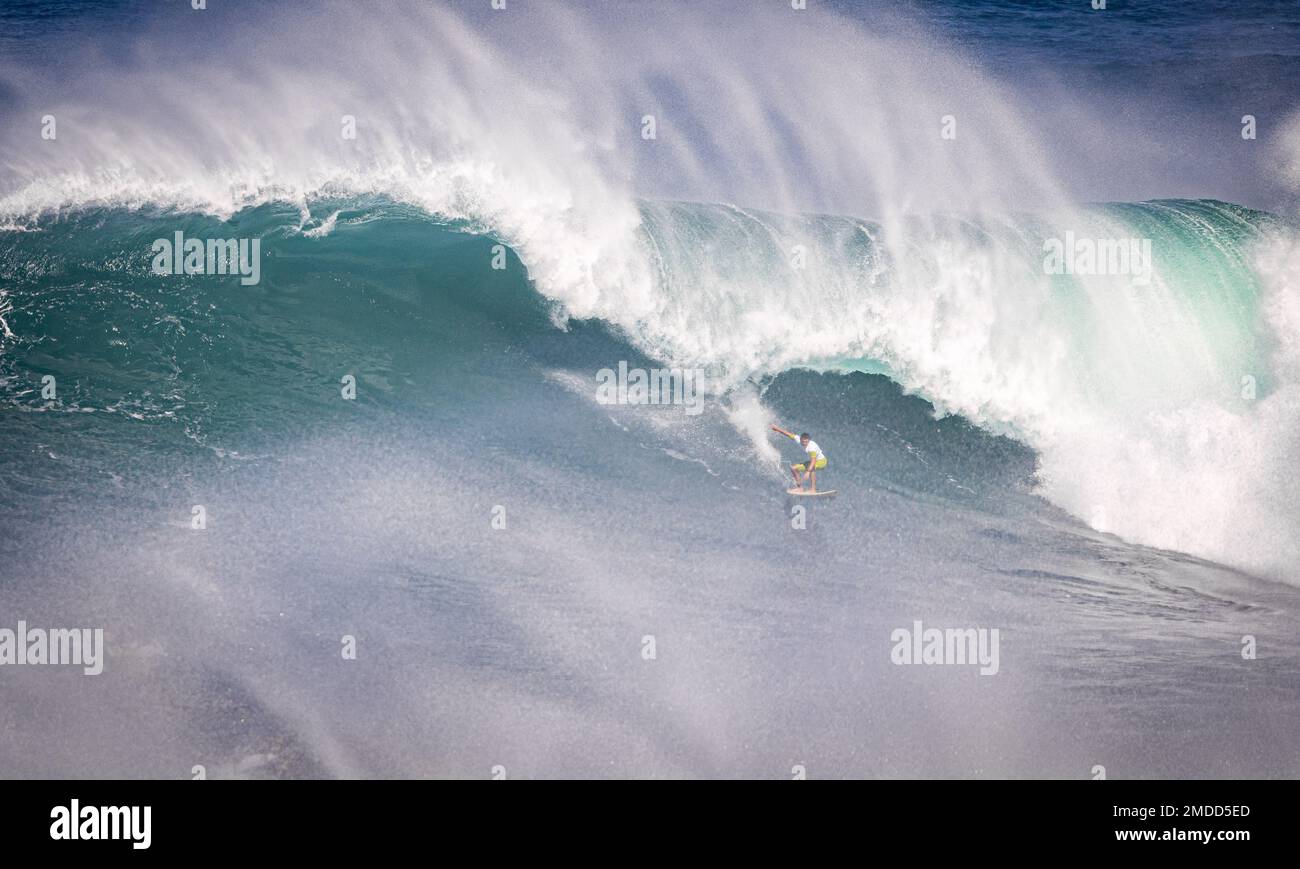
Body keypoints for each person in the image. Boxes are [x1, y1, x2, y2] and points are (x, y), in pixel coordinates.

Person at [770, 424, 827, 492]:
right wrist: (777, 429)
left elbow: (813, 461)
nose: (804, 443)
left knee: (811, 467)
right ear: (800, 439)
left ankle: (813, 489)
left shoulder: (811, 447)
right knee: (793, 468)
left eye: (806, 442)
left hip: (822, 462)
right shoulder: (798, 439)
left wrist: (808, 472)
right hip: (814, 461)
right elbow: (788, 434)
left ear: (809, 440)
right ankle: (800, 488)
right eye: (803, 442)